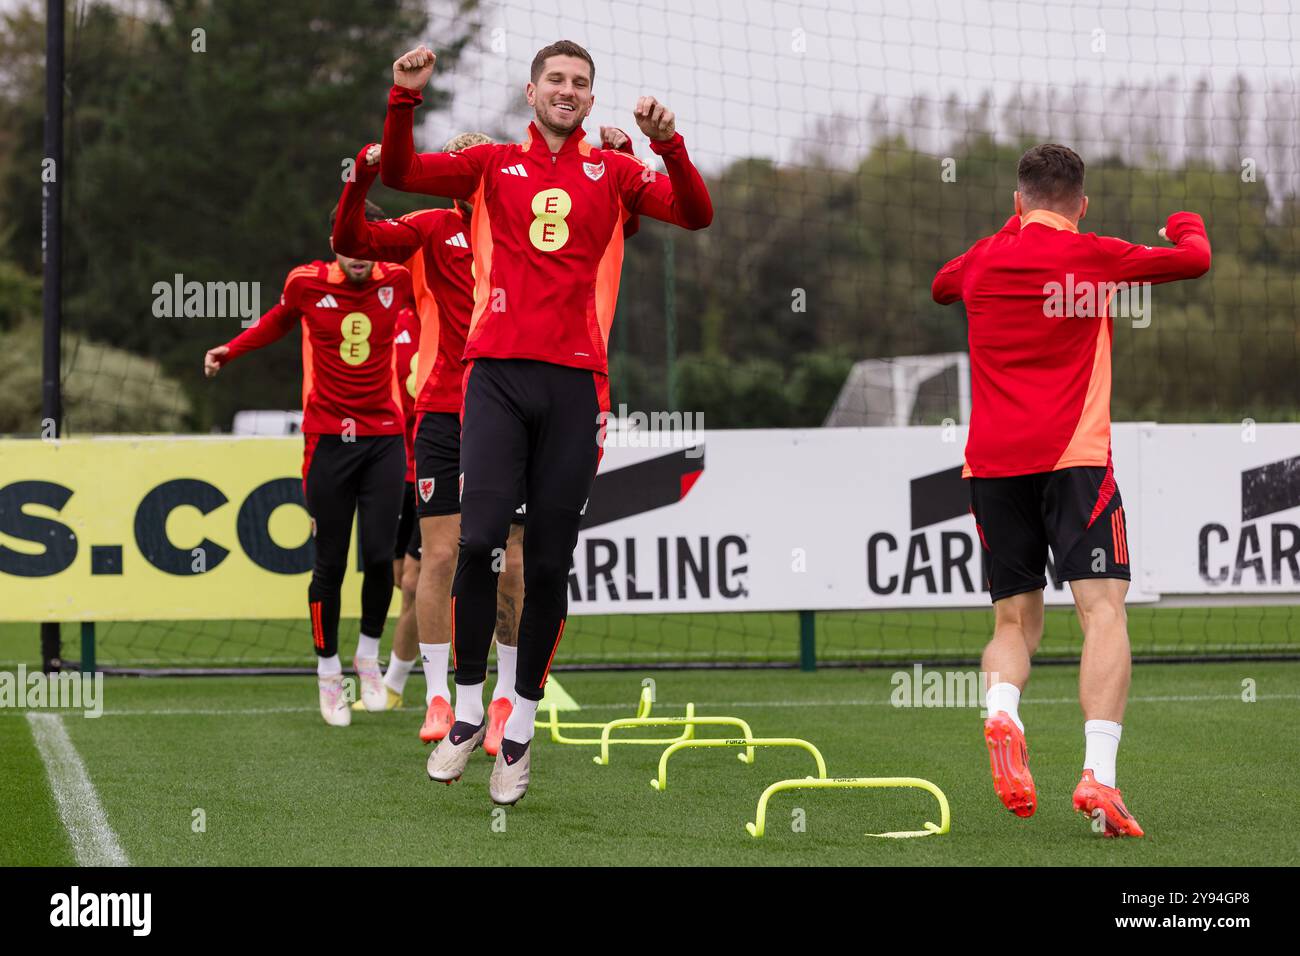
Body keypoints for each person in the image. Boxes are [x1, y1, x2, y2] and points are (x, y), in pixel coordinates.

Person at [381, 39, 712, 803]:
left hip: (576, 388)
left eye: (580, 83)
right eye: (555, 80)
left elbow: (696, 213)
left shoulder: (616, 172)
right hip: (492, 377)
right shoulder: (491, 164)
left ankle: (519, 723)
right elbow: (400, 172)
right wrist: (404, 98)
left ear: (591, 100)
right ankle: (467, 711)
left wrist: (669, 144)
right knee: (480, 539)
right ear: (531, 92)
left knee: (553, 561)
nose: (568, 91)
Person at [931, 143, 1211, 836]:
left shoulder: (983, 261)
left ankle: (1001, 710)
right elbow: (1194, 259)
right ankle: (1100, 778)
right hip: (1075, 462)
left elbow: (942, 283)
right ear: (1080, 205)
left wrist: (1007, 229)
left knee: (1013, 625)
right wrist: (1185, 220)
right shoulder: (1093, 256)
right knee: (1103, 613)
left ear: (1018, 200)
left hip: (993, 467)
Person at [204, 200, 416, 727]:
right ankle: (327, 672)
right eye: (351, 245)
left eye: (368, 244)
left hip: (385, 437)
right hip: (327, 441)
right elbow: (278, 321)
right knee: (331, 561)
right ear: (335, 245)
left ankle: (368, 656)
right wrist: (230, 350)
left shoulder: (400, 278)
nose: (360, 255)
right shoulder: (306, 283)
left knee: (376, 555)